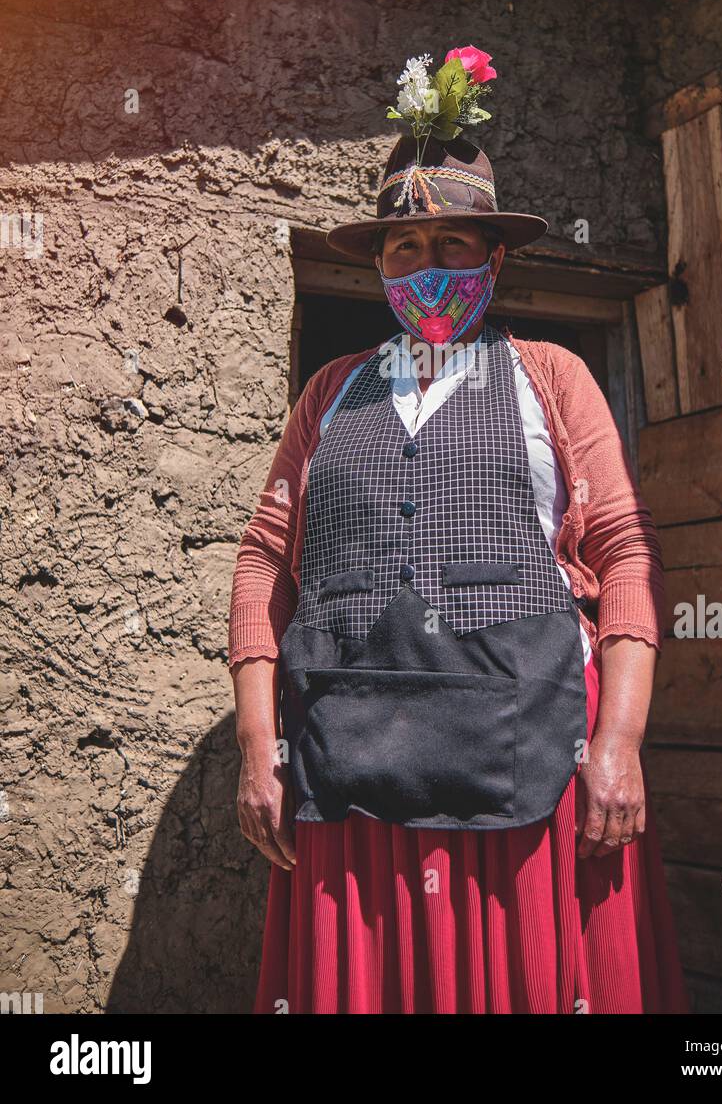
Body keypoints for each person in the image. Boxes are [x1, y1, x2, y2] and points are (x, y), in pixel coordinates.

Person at [228, 50, 690, 1014]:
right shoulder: (330, 392)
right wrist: (256, 748)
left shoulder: (551, 377)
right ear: (378, 265)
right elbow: (264, 561)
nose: (427, 269)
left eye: (452, 246)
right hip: (351, 765)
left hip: (524, 761)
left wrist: (621, 740)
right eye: (404, 248)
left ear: (496, 258)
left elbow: (624, 553)